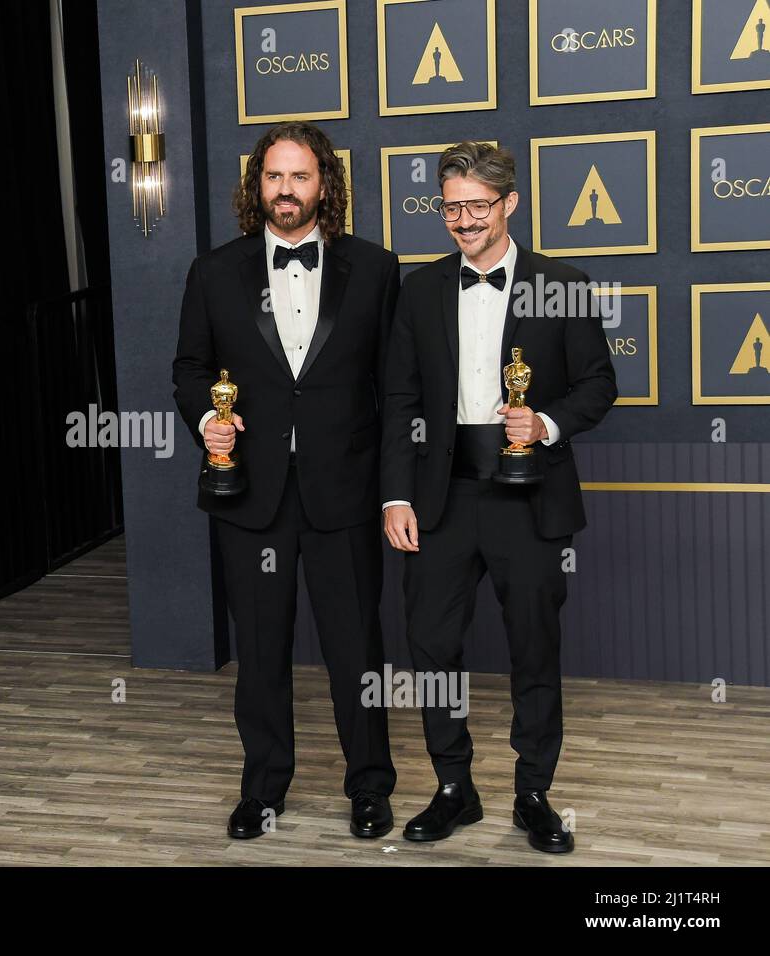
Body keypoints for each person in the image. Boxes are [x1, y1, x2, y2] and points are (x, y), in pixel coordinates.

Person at [381, 141, 617, 853]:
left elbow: (599, 386)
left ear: (510, 204)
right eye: (450, 207)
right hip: (440, 496)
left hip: (530, 495)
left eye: (477, 206)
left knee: (533, 648)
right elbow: (398, 400)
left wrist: (543, 422)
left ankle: (533, 793)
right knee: (431, 646)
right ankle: (454, 786)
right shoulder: (417, 290)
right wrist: (395, 496)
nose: (462, 220)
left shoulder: (563, 283)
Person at [173, 122, 400, 840]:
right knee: (262, 652)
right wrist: (205, 424)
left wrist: (396, 487)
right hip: (253, 496)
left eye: (300, 177)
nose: (287, 191)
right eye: (274, 177)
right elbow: (190, 372)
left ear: (324, 185)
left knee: (356, 651)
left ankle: (370, 787)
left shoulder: (375, 268)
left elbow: (395, 390)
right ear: (256, 186)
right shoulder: (213, 272)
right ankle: (263, 790)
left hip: (346, 491)